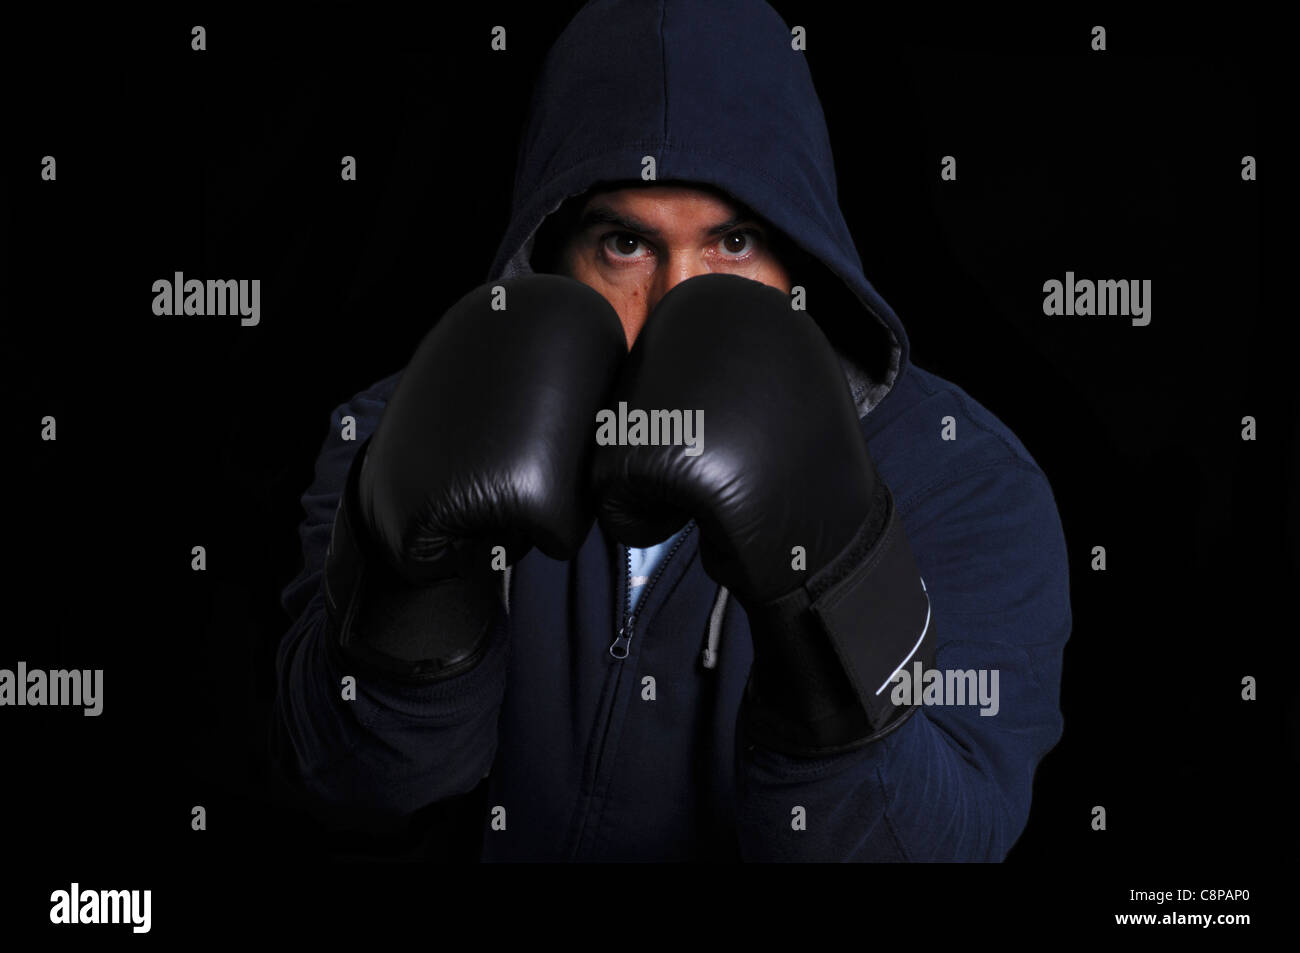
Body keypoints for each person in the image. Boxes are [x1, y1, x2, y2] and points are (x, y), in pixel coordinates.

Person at [270, 0, 1072, 862]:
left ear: (801, 255)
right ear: (552, 253)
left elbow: (940, 847)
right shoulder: (403, 427)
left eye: (732, 243)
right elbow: (357, 782)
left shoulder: (966, 480)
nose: (674, 310)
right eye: (626, 243)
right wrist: (411, 593)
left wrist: (830, 592)